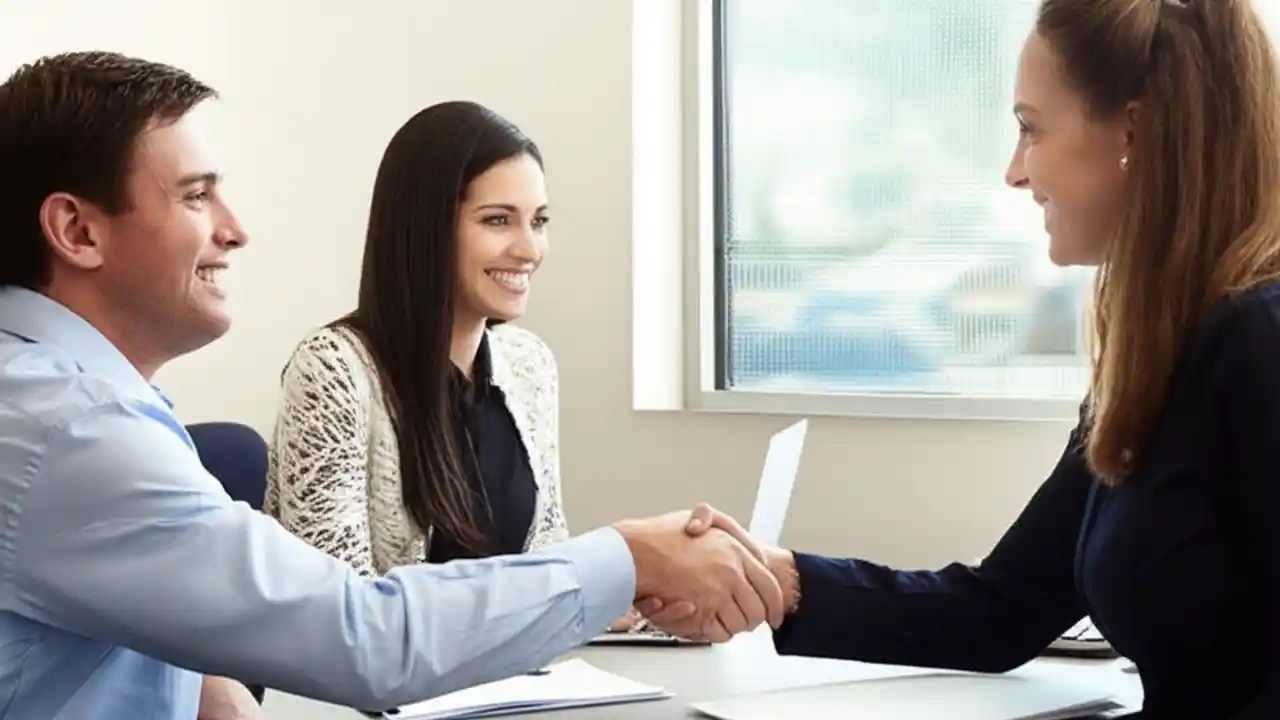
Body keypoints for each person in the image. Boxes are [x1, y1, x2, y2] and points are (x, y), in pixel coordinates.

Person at [0, 51, 783, 720]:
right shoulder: (75, 427)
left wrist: (198, 674)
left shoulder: (67, 404)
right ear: (77, 231)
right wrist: (631, 557)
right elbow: (355, 631)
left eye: (540, 221)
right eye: (198, 195)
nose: (236, 229)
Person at [669, 0, 1280, 716]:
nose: (1014, 171)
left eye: (1030, 128)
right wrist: (783, 582)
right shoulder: (1154, 355)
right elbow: (1007, 608)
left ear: (1134, 130)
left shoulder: (1258, 343)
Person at [266, 101, 637, 631]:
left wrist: (633, 603)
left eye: (539, 221)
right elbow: (337, 610)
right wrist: (539, 602)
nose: (529, 248)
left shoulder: (529, 365)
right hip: (377, 700)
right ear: (427, 226)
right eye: (497, 220)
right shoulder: (333, 370)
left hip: (507, 682)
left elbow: (547, 554)